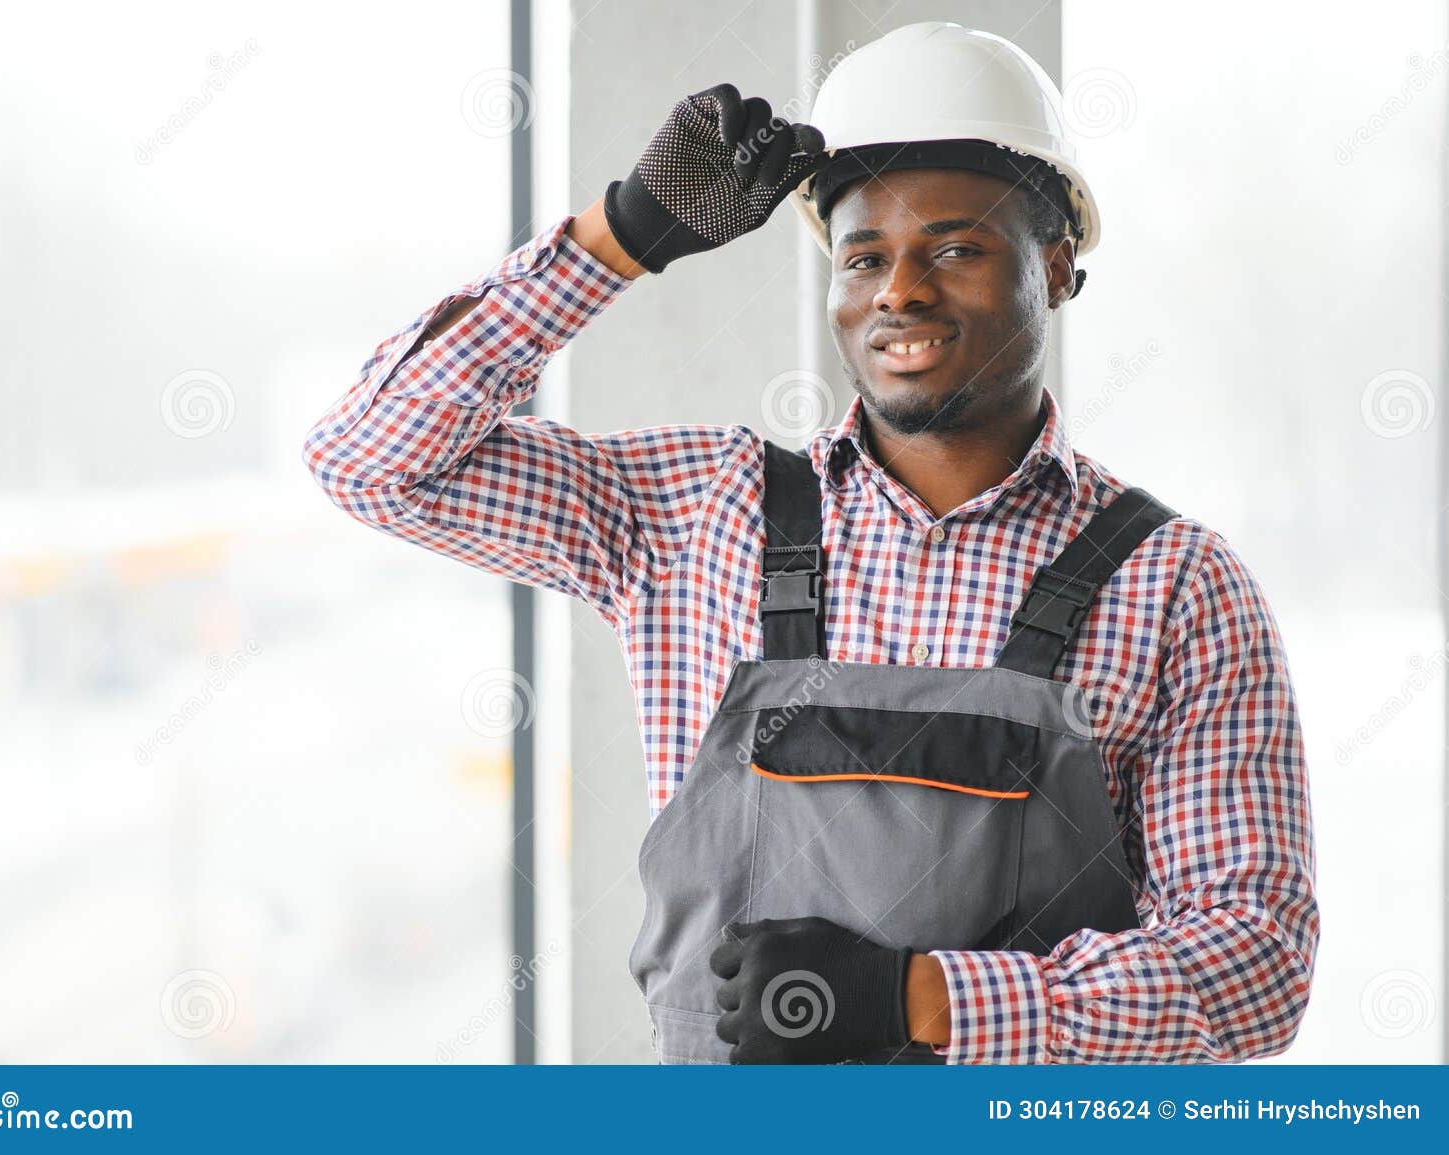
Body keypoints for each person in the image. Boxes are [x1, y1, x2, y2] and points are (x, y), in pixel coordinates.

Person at [301, 21, 1318, 1065]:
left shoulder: (1175, 585)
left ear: (1055, 267)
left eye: (956, 248)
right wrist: (621, 237)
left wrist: (926, 1000)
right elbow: (370, 459)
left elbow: (1254, 965)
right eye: (863, 255)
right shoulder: (693, 514)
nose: (900, 291)